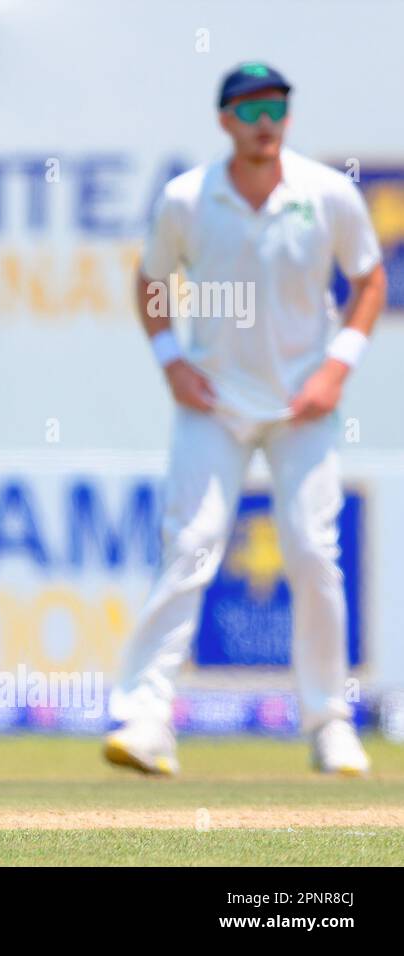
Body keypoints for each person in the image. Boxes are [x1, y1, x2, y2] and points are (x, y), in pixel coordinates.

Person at [105, 63, 387, 776]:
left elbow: (369, 277)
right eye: (251, 108)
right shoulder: (188, 199)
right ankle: (146, 718)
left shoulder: (326, 193)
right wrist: (172, 360)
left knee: (314, 554)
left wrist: (337, 367)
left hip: (303, 406)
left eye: (278, 107)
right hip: (217, 404)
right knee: (191, 544)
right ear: (226, 120)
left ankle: (330, 724)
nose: (266, 120)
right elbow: (150, 281)